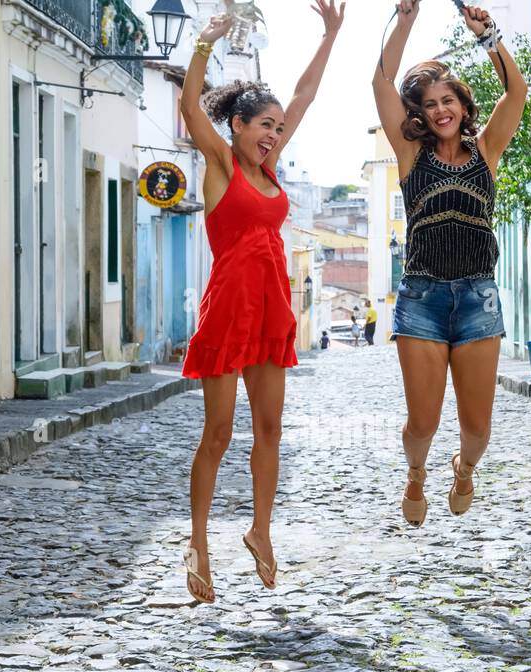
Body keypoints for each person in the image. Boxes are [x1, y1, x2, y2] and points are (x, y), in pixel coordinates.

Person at [179, 1, 346, 604]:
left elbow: (303, 95)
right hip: (229, 308)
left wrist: (331, 35)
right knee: (218, 433)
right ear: (238, 128)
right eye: (264, 126)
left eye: (277, 128)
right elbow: (189, 105)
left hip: (273, 307)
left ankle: (260, 530)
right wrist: (202, 44)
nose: (274, 133)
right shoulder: (220, 164)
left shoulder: (271, 170)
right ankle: (197, 545)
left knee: (270, 430)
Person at [372, 0, 526, 528]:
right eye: (429, 104)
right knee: (423, 420)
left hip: (479, 296)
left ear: (462, 102)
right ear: (418, 115)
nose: (440, 110)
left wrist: (488, 36)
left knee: (477, 428)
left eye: (448, 99)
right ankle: (416, 475)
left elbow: (517, 92)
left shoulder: (488, 150)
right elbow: (381, 82)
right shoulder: (412, 156)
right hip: (422, 299)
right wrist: (406, 20)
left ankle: (464, 469)